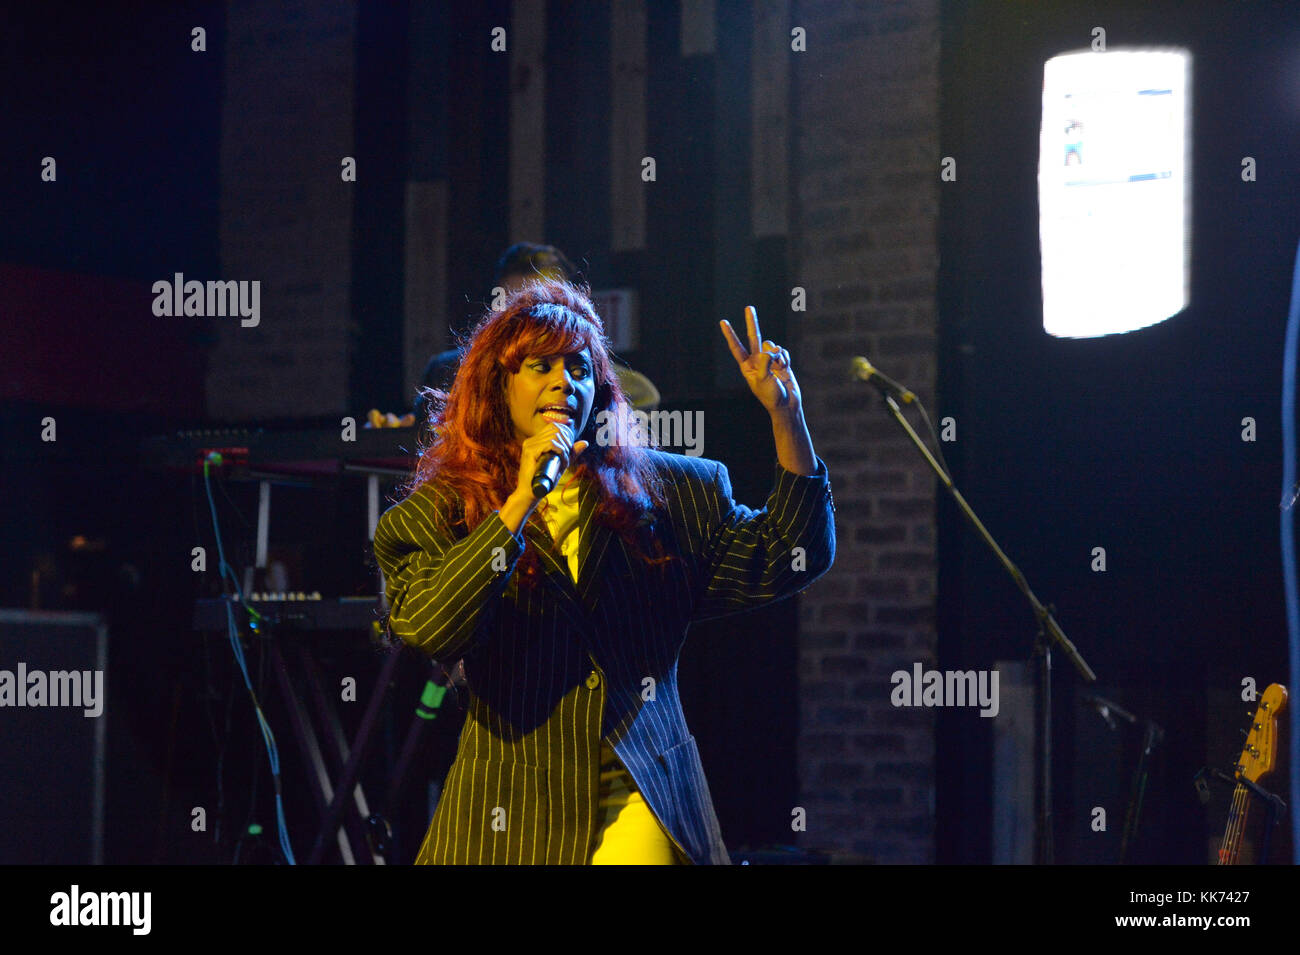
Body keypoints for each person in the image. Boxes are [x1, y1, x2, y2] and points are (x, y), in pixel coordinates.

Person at [372, 278, 835, 864]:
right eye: (541, 365)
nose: (565, 380)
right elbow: (434, 628)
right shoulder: (434, 515)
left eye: (579, 367)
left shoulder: (669, 494)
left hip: (639, 787)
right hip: (511, 805)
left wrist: (786, 415)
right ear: (498, 386)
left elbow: (794, 552)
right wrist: (519, 503)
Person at [415, 243, 660, 422]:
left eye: (548, 308)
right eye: (517, 309)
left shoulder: (621, 386)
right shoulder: (448, 371)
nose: (534, 324)